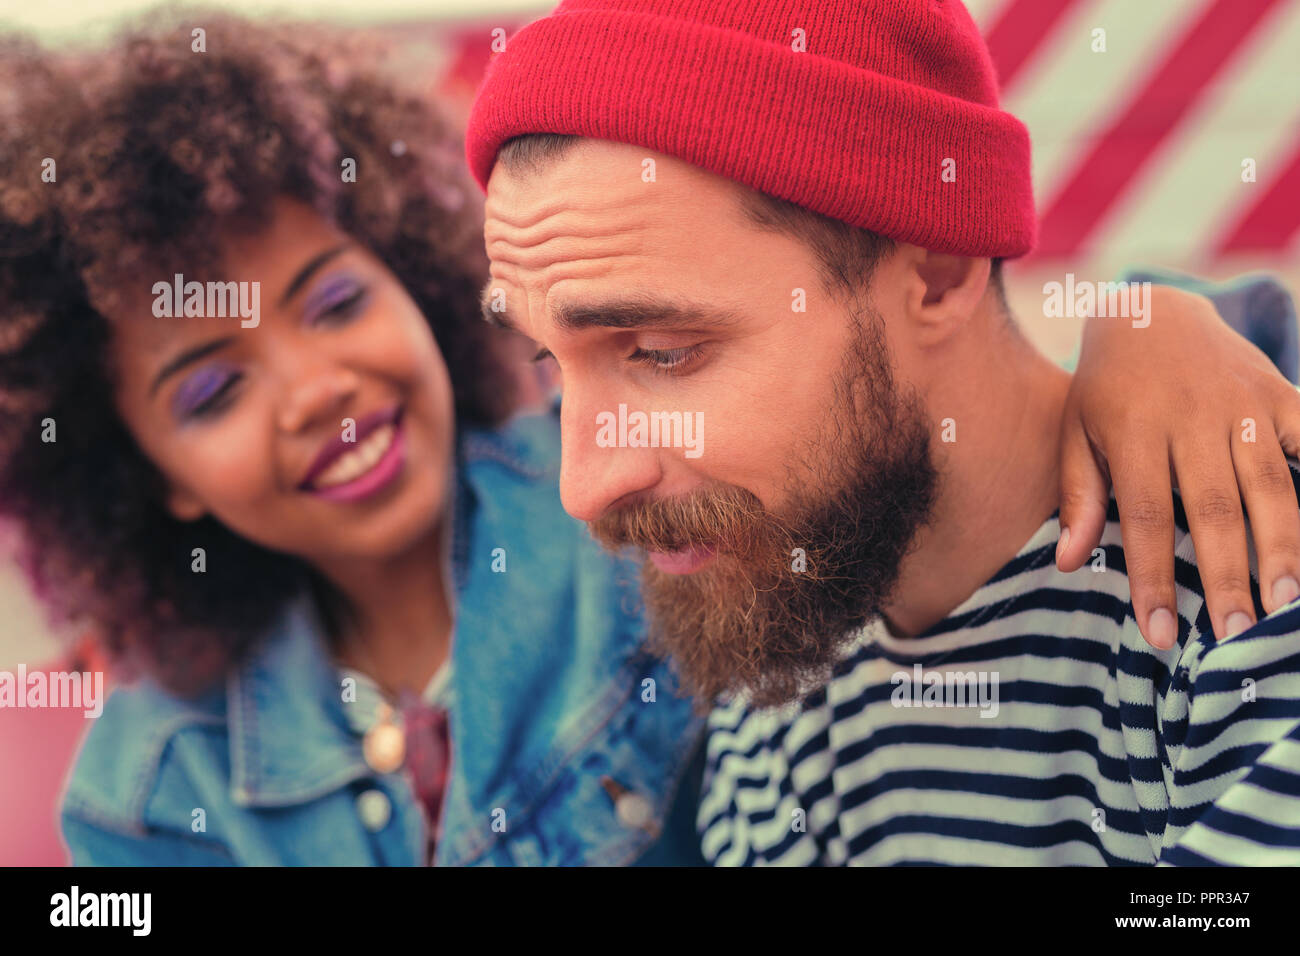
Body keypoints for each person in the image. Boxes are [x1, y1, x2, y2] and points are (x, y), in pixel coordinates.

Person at [463, 0, 1300, 863]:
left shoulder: (1249, 587)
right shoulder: (780, 688)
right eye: (550, 364)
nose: (583, 487)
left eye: (664, 353)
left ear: (937, 272)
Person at [0, 16, 703, 867]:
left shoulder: (645, 512)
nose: (315, 391)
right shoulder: (154, 792)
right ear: (154, 476)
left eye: (335, 305)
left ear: (411, 279)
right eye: (215, 391)